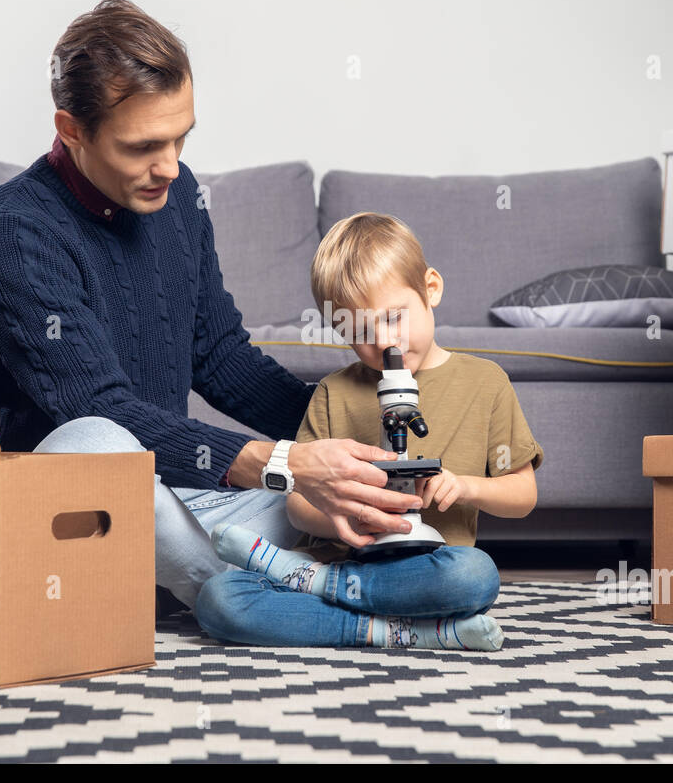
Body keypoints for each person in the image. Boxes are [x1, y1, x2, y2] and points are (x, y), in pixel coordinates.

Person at [0, 0, 422, 614]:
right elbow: (97, 407)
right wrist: (282, 460)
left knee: (325, 500)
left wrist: (345, 434)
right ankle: (252, 594)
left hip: (172, 509)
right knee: (96, 444)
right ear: (71, 131)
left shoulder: (179, 203)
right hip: (59, 514)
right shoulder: (11, 230)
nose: (170, 167)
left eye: (181, 138)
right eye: (143, 145)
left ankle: (248, 581)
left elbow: (221, 356)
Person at [195, 212, 545, 650]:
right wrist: (353, 513)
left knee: (474, 575)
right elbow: (298, 507)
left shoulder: (485, 382)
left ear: (430, 289)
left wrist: (466, 487)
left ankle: (333, 603)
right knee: (219, 599)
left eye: (394, 318)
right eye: (359, 331)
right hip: (343, 561)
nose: (383, 343)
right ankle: (401, 630)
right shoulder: (332, 393)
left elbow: (523, 495)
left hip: (424, 571)